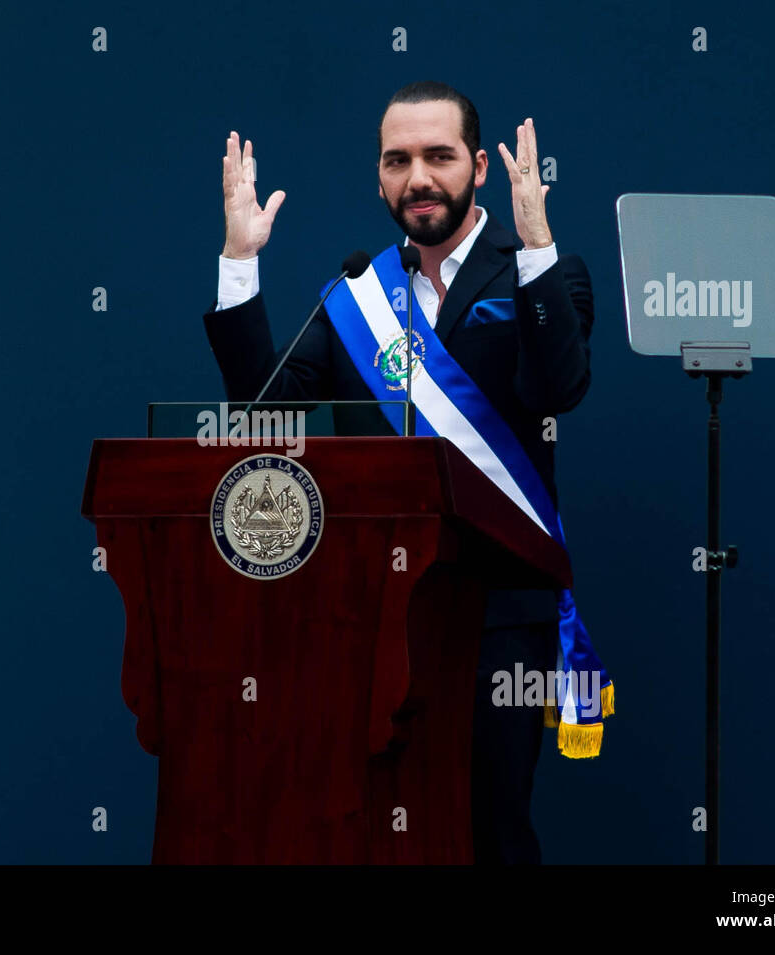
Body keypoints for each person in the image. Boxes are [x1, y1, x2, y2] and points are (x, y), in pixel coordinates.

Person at [202, 81, 598, 864]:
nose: (418, 176)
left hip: (500, 616)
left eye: (438, 156)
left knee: (490, 826)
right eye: (398, 160)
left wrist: (538, 243)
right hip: (371, 612)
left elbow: (558, 390)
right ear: (380, 177)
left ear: (479, 167)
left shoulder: (548, 276)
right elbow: (262, 417)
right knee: (372, 824)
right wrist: (240, 261)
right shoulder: (357, 293)